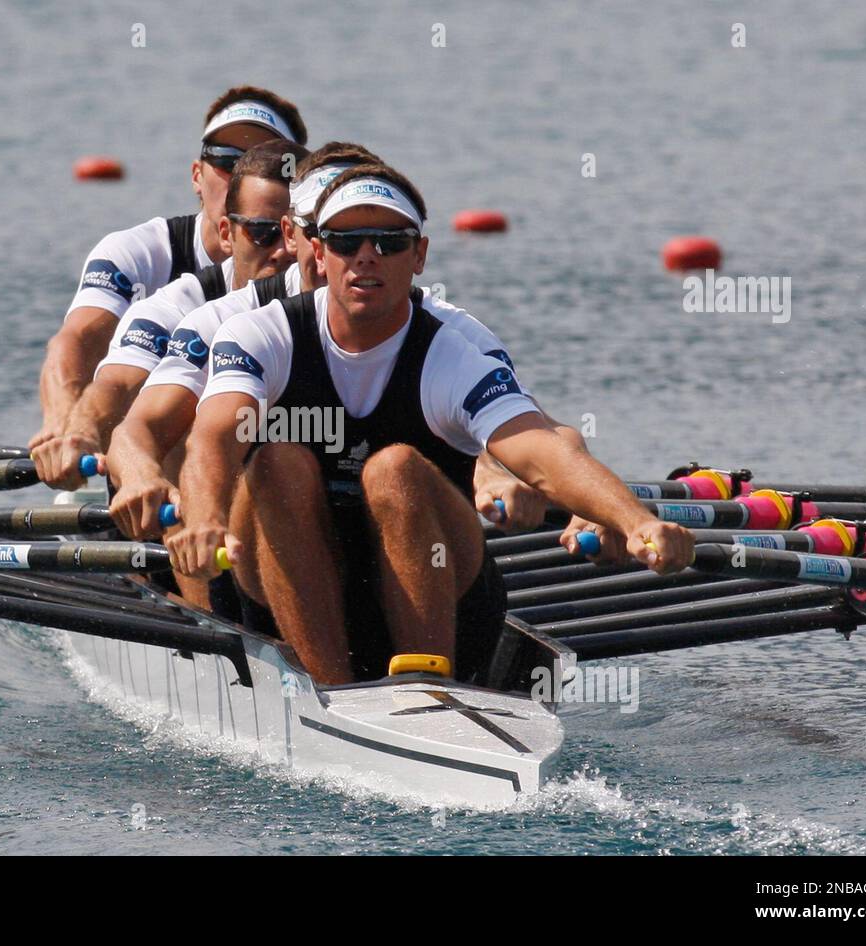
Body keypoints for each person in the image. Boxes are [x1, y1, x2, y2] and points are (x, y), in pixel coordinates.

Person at [166, 163, 695, 685]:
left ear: (419, 255)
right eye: (346, 240)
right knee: (276, 462)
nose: (366, 256)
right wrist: (203, 517)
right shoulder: (261, 335)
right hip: (287, 589)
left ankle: (428, 693)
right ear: (319, 252)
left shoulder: (453, 353)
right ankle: (327, 692)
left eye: (389, 241)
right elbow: (215, 437)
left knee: (394, 468)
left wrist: (635, 522)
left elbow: (542, 452)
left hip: (442, 593)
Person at [106, 145, 586, 545]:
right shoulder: (224, 323)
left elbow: (543, 432)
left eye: (374, 239)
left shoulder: (451, 331)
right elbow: (135, 433)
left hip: (396, 538)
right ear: (300, 238)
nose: (356, 255)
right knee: (204, 434)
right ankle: (201, 598)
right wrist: (141, 475)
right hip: (245, 549)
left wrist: (577, 496)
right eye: (334, 237)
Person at [31, 87, 308, 488]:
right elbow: (86, 349)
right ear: (198, 175)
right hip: (164, 473)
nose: (239, 175)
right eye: (227, 160)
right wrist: (72, 432)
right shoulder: (145, 258)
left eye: (261, 161)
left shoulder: (341, 275)